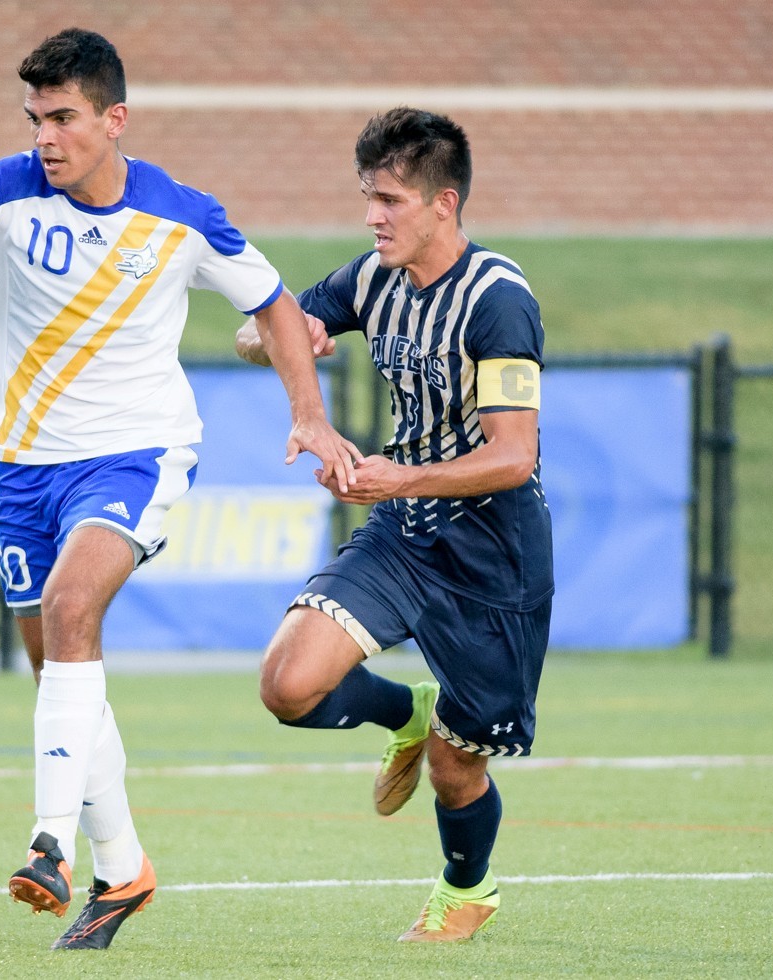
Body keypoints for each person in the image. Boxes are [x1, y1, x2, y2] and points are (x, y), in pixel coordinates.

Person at [0, 28, 359, 951]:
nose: (47, 135)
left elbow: (275, 303)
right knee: (60, 678)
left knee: (74, 604)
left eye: (66, 118)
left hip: (136, 455)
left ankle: (49, 846)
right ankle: (123, 869)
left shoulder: (181, 213)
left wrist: (309, 416)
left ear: (114, 120)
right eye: (36, 118)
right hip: (20, 469)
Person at [235, 106, 551, 943]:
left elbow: (515, 455)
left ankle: (468, 889)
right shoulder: (371, 279)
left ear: (443, 204)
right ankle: (404, 712)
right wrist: (286, 337)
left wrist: (400, 476)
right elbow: (252, 329)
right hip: (406, 529)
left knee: (457, 769)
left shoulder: (498, 302)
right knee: (288, 685)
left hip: (494, 553)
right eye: (367, 197)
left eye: (390, 201)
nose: (372, 216)